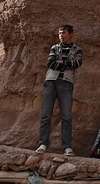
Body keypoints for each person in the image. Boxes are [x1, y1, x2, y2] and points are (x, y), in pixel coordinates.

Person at [36, 24, 84, 156]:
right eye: (59, 33)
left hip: (66, 84)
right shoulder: (54, 47)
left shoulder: (77, 50)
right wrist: (67, 62)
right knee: (46, 115)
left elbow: (77, 63)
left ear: (71, 34)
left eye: (63, 33)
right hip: (51, 82)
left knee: (67, 117)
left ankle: (66, 147)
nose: (61, 35)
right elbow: (50, 63)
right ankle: (43, 143)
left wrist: (61, 62)